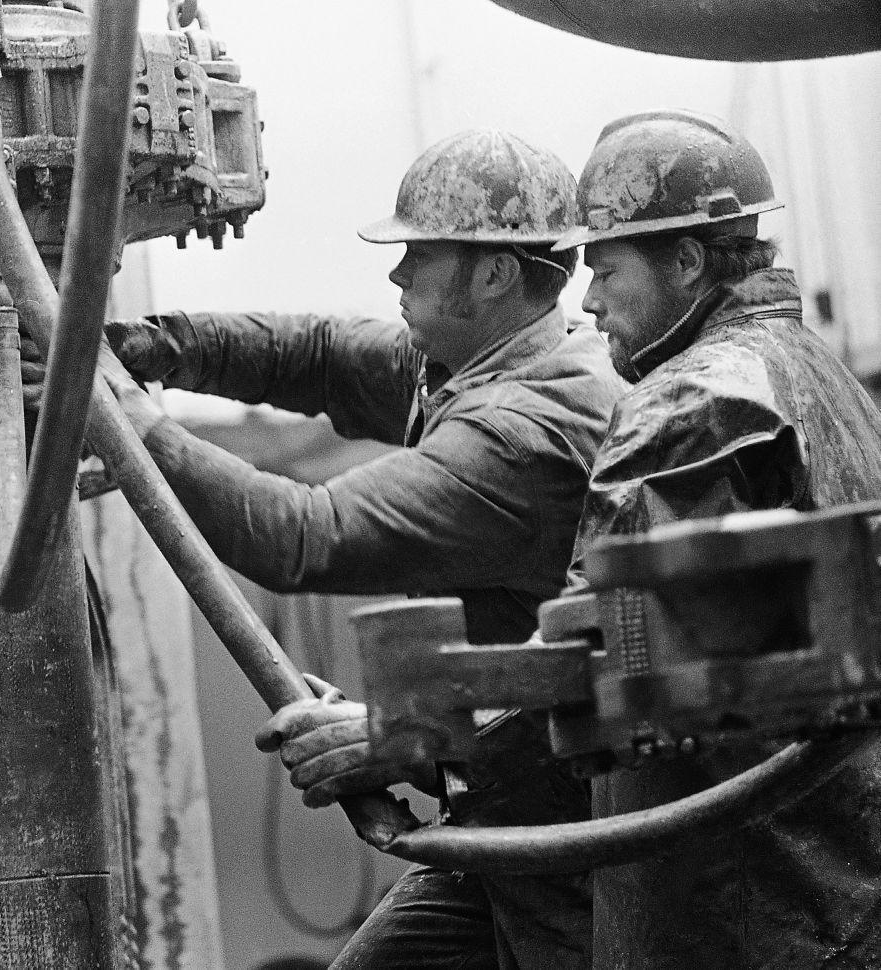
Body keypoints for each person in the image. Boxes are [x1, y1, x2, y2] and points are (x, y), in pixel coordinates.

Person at [263, 109, 881, 969]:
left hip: (734, 898)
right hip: (824, 876)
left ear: (688, 261)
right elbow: (729, 636)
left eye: (608, 269)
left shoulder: (689, 408)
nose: (587, 300)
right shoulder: (815, 374)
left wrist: (402, 732)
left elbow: (623, 670)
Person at [39, 129, 624, 968]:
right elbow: (314, 354)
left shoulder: (520, 434)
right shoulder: (483, 364)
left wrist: (126, 421)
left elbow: (303, 538)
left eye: (418, 255)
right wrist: (144, 347)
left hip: (571, 838)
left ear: (494, 274)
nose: (396, 274)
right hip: (506, 802)